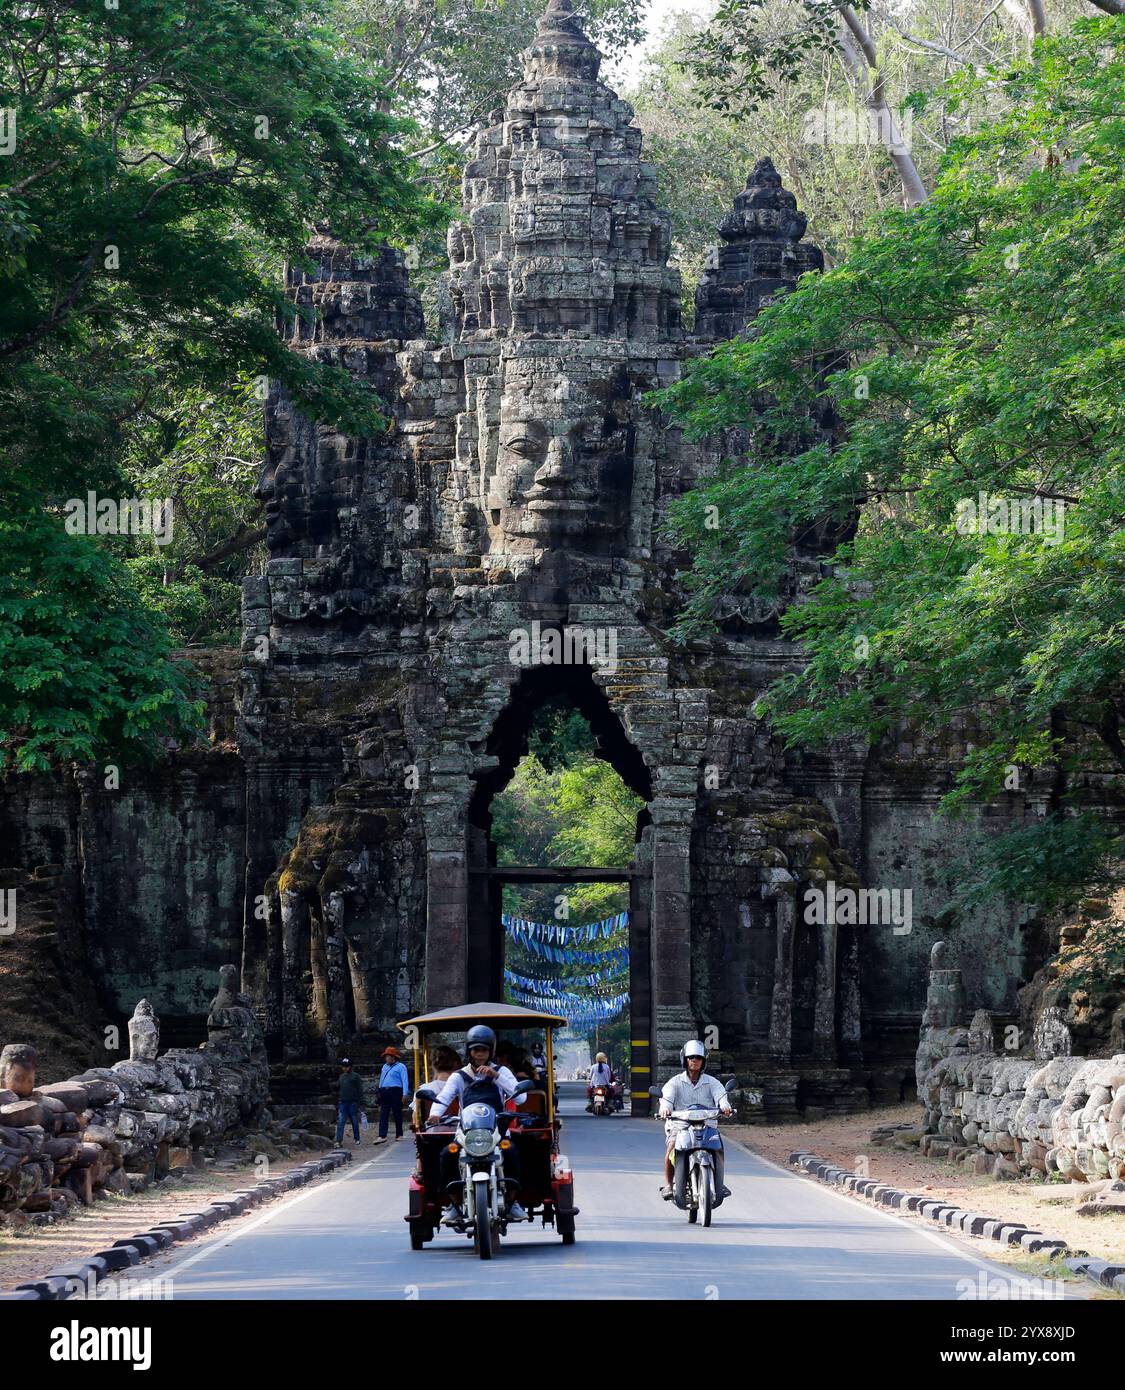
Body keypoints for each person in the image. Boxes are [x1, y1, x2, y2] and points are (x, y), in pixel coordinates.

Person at [426, 1024, 527, 1226]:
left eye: (484, 1050)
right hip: (466, 1134)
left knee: (514, 1153)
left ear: (491, 1051)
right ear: (469, 1051)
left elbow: (521, 1098)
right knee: (447, 1155)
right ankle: (454, 1205)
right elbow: (444, 1098)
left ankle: (513, 1202)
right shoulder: (458, 1076)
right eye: (476, 1050)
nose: (480, 1055)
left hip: (497, 1132)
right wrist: (434, 1115)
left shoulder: (501, 1071)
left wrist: (496, 1077)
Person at [658, 1040, 733, 1201]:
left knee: (718, 1149)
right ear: (685, 1059)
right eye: (691, 1057)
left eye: (698, 1058)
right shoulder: (675, 1082)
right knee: (672, 1148)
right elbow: (666, 1098)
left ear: (703, 1061)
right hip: (680, 1125)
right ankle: (669, 1185)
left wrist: (725, 1106)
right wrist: (665, 1108)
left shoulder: (712, 1082)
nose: (694, 1060)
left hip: (707, 1124)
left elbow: (721, 1096)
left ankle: (719, 1182)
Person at [412, 1046, 459, 1126]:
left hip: (432, 1131)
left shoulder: (423, 1089)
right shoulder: (462, 1087)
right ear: (455, 1064)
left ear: (434, 1065)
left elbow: (415, 1120)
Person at [375, 1046, 410, 1142]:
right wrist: (379, 1091)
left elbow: (404, 1080)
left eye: (387, 1056)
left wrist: (405, 1093)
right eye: (385, 1056)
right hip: (384, 1091)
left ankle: (399, 1134)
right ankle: (382, 1135)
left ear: (393, 1057)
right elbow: (381, 1079)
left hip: (396, 1091)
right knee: (383, 1113)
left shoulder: (401, 1066)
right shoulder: (384, 1066)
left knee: (397, 1113)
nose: (386, 1058)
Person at [335, 1057, 365, 1146]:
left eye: (346, 1066)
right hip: (343, 1102)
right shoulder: (341, 1077)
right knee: (341, 1121)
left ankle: (357, 1138)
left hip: (353, 1102)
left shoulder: (355, 1076)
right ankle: (338, 1140)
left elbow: (359, 1090)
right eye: (343, 1066)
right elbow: (339, 1088)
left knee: (354, 1121)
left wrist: (361, 1102)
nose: (344, 1068)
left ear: (350, 1067)